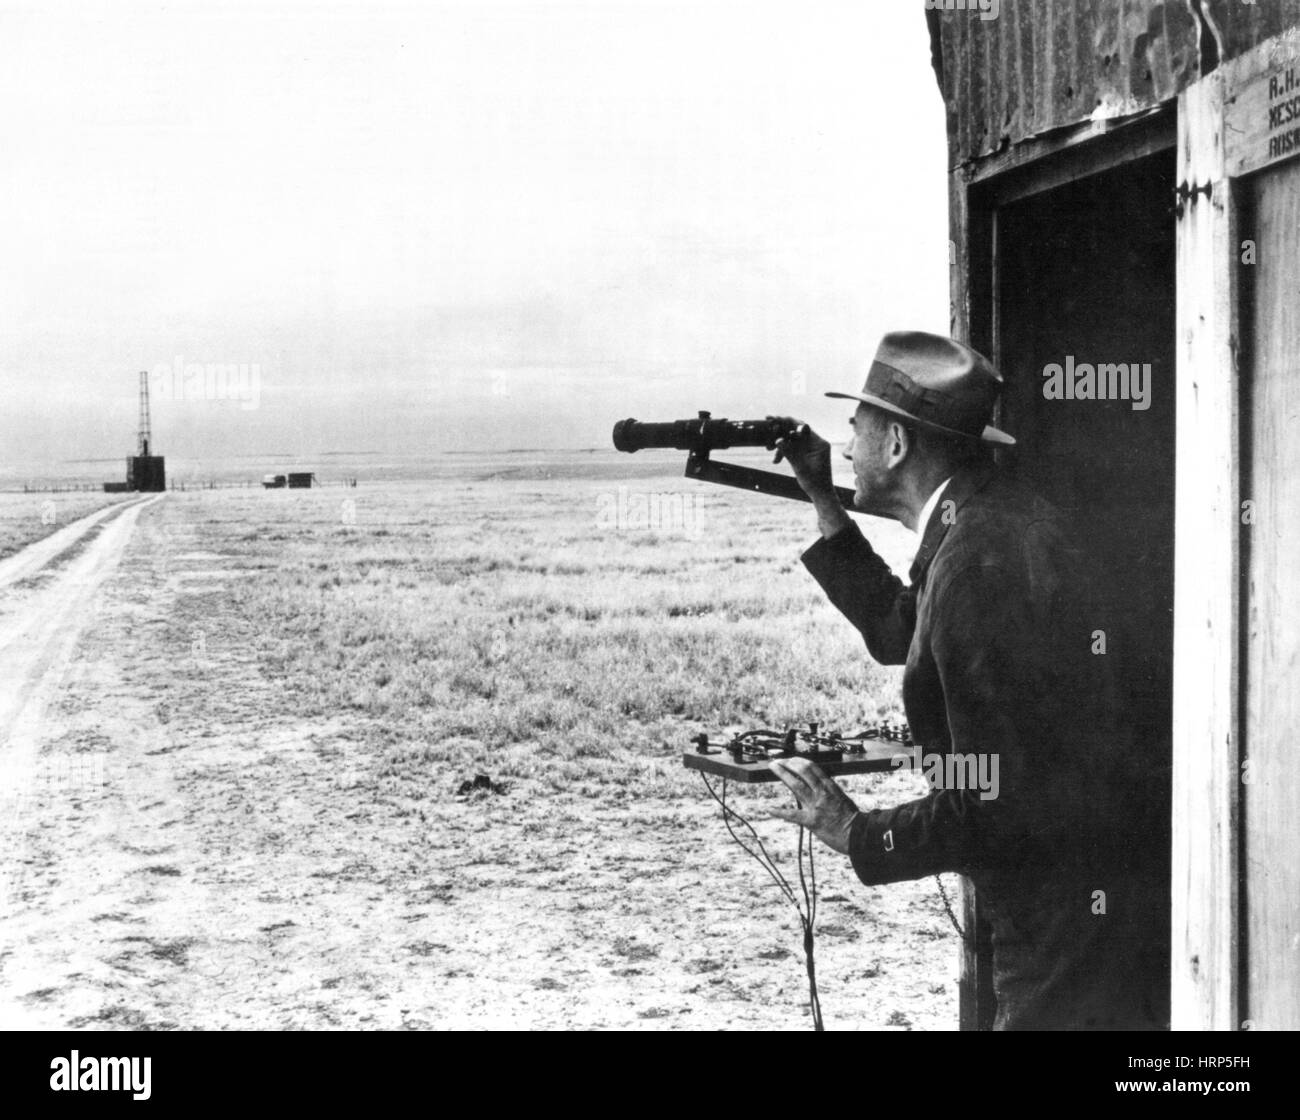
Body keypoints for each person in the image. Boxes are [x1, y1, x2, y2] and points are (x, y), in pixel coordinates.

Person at [766, 330, 1166, 1031]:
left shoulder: (981, 563)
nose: (846, 446)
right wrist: (821, 499)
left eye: (855, 430)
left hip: (1067, 926)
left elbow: (996, 802)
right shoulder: (978, 523)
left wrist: (860, 834)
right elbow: (899, 633)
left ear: (896, 446)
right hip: (1075, 904)